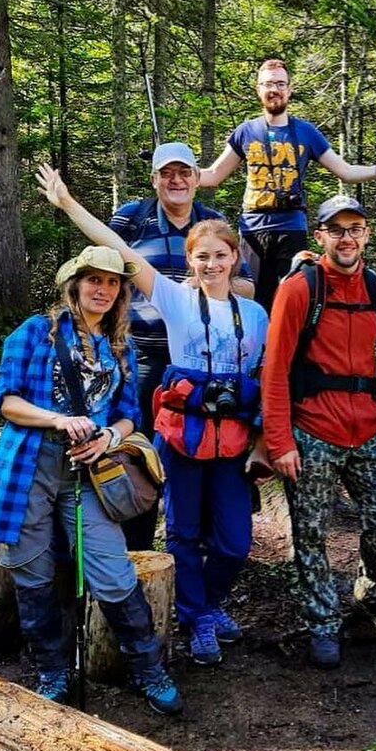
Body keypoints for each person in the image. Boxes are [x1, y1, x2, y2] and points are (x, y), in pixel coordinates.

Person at [37, 163, 269, 668]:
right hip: (182, 436)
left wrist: (263, 442)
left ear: (235, 259)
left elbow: (263, 379)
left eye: (220, 255)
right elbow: (119, 252)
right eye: (202, 256)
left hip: (231, 438)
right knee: (183, 531)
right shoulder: (175, 298)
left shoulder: (254, 315)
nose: (211, 264)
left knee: (233, 540)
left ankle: (204, 604)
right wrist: (70, 205)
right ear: (190, 261)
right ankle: (198, 616)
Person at [0, 244, 182, 715]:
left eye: (112, 283)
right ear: (75, 285)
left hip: (87, 473)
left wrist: (106, 436)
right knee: (31, 569)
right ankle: (52, 670)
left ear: (121, 292)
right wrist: (57, 420)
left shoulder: (120, 346)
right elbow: (5, 399)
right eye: (94, 280)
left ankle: (146, 668)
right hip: (29, 467)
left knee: (113, 571)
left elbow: (129, 416)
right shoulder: (35, 333)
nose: (102, 290)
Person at [262, 194, 376, 669]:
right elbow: (275, 369)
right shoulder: (299, 288)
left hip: (369, 426)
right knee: (311, 533)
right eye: (337, 230)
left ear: (366, 234)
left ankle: (373, 595)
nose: (347, 238)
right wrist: (280, 441)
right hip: (312, 428)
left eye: (356, 229)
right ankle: (322, 621)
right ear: (321, 236)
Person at [109, 140, 254, 551]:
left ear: (196, 178)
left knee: (199, 448)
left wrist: (200, 285)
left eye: (185, 172)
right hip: (140, 358)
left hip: (197, 365)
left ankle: (201, 544)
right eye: (167, 173)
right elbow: (101, 268)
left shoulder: (212, 222)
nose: (177, 180)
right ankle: (136, 549)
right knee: (138, 451)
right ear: (154, 179)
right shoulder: (132, 219)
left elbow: (246, 285)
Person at [198, 59, 376, 311]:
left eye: (281, 84)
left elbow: (345, 171)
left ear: (290, 89)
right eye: (269, 84)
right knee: (248, 299)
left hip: (291, 228)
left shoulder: (306, 132)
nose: (275, 89)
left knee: (291, 299)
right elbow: (214, 175)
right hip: (252, 229)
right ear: (258, 89)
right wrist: (176, 173)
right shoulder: (246, 131)